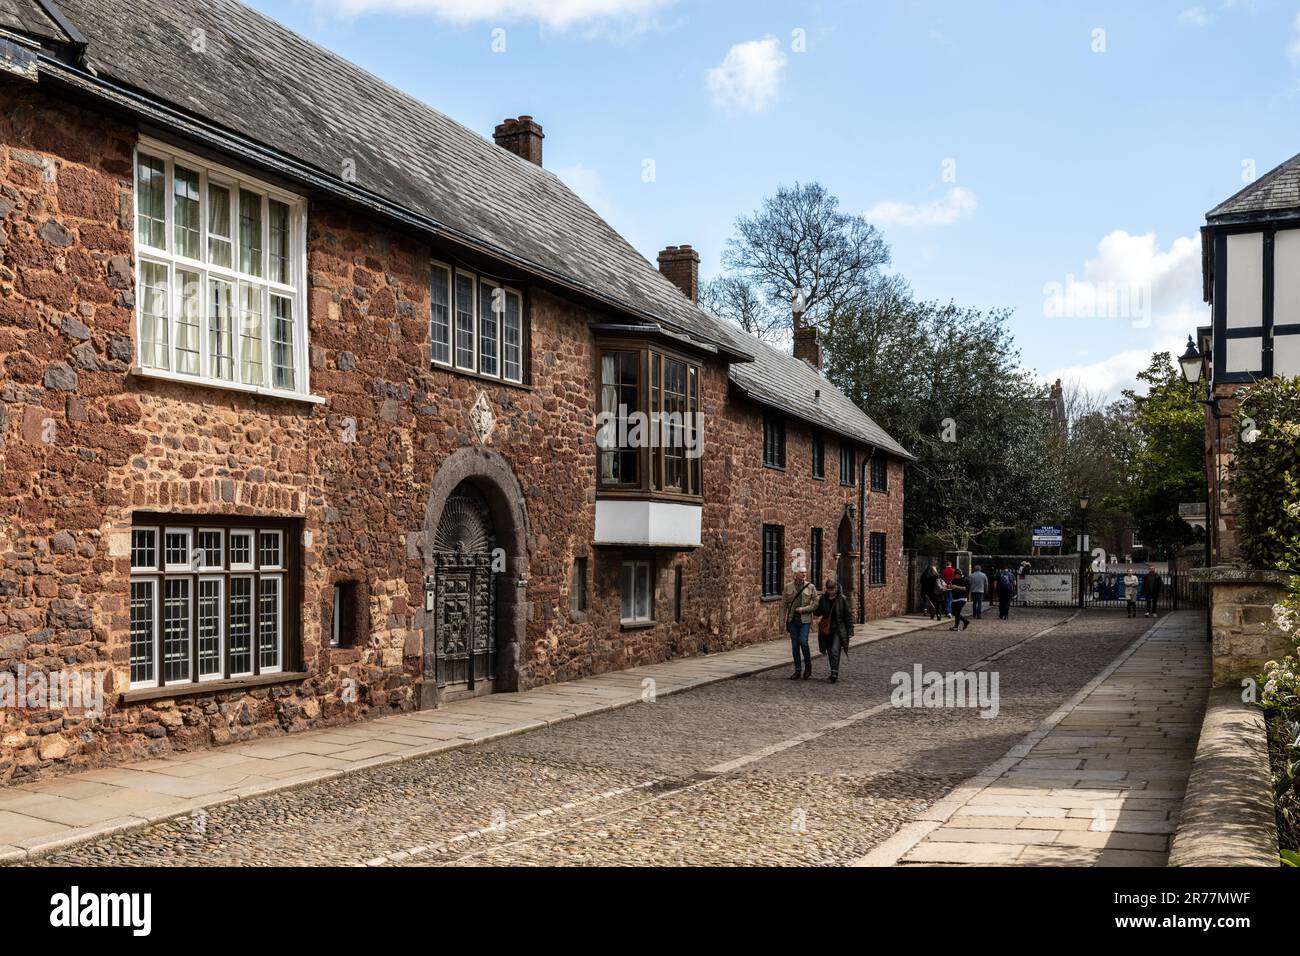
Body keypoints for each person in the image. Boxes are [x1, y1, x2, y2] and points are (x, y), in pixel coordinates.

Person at [782, 568, 819, 679]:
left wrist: (804, 609)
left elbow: (816, 602)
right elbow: (783, 605)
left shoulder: (811, 587)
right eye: (801, 572)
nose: (804, 574)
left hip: (805, 620)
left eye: (805, 572)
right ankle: (797, 670)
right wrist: (781, 622)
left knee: (803, 642)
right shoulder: (788, 587)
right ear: (795, 574)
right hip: (792, 620)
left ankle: (808, 665)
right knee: (795, 646)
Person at [814, 579, 853, 683]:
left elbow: (848, 616)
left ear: (836, 588)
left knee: (835, 650)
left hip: (839, 629)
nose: (831, 591)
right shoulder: (823, 599)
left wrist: (850, 630)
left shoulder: (842, 599)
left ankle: (834, 673)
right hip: (827, 629)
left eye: (833, 589)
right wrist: (815, 606)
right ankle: (833, 671)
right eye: (829, 589)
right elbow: (819, 612)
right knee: (830, 651)